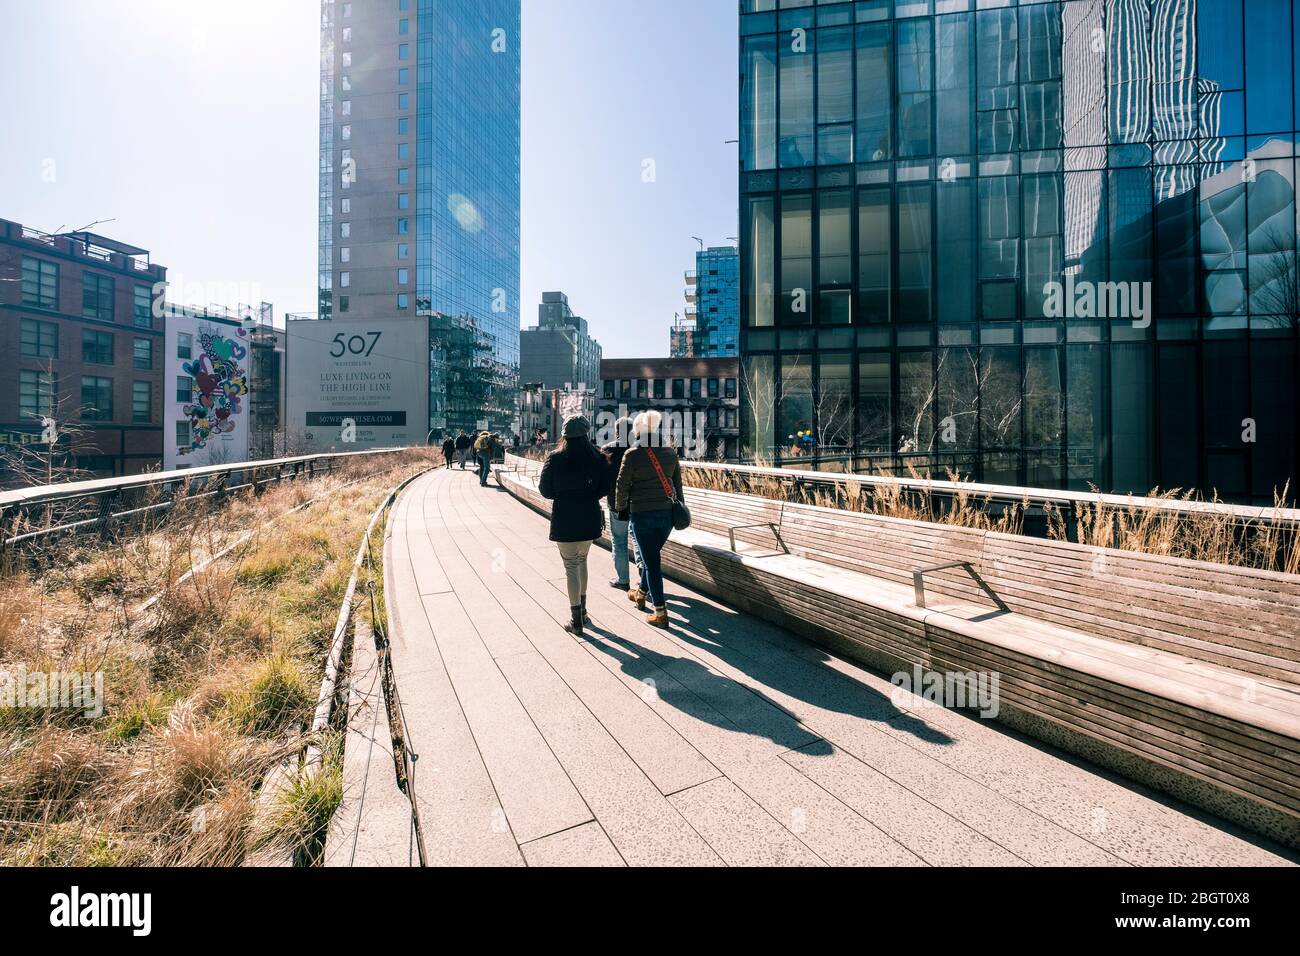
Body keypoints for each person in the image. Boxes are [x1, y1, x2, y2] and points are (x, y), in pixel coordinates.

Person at [539, 416, 610, 635]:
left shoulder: (555, 458)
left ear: (564, 435)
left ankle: (576, 619)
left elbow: (545, 490)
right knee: (582, 560)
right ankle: (584, 611)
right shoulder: (598, 457)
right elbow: (604, 488)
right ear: (587, 434)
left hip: (564, 517)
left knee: (570, 566)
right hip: (588, 516)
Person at [614, 410, 684, 629]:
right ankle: (641, 593)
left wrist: (620, 508)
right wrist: (679, 508)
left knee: (651, 562)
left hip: (642, 515)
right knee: (651, 556)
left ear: (637, 432)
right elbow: (678, 486)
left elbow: (622, 486)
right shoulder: (670, 453)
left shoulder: (632, 455)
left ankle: (660, 613)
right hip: (666, 517)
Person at [601, 416, 638, 591]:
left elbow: (602, 477)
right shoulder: (639, 449)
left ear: (616, 431)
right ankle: (644, 583)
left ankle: (623, 579)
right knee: (639, 542)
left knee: (619, 541)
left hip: (616, 503)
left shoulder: (607, 450)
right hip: (638, 504)